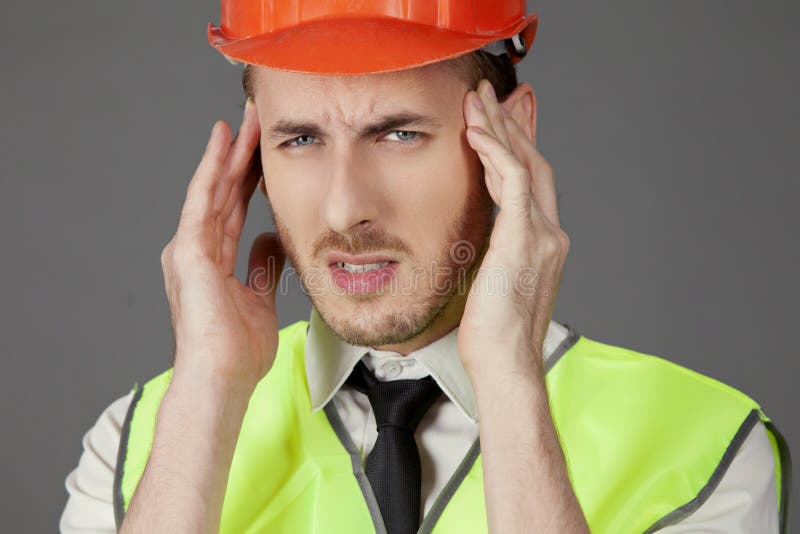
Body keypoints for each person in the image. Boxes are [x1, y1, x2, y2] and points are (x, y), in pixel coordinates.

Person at [60, 1, 791, 533]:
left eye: (400, 133)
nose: (345, 209)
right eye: (301, 140)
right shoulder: (138, 443)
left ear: (511, 135)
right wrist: (207, 397)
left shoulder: (708, 451)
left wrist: (507, 381)